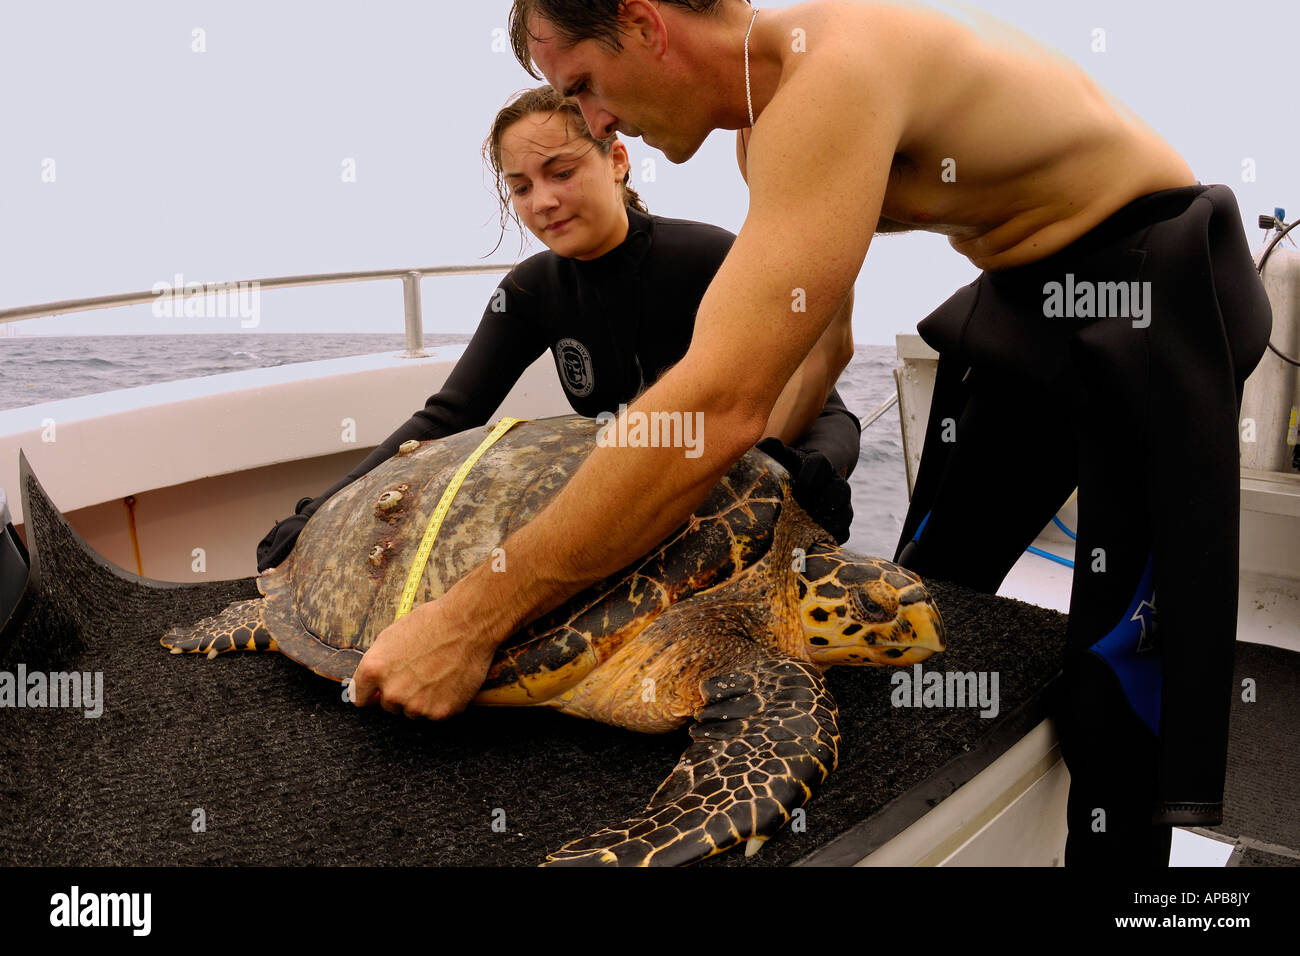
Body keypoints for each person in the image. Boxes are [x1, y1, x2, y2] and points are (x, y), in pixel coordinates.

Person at [350, 0, 1271, 868]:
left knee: (1126, 657)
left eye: (585, 83)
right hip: (1020, 296)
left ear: (643, 23)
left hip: (1152, 282)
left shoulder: (834, 72)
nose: (594, 120)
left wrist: (468, 620)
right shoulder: (765, 128)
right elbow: (820, 337)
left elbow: (715, 404)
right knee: (925, 604)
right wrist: (731, 503)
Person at [256, 84, 861, 575]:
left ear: (617, 160)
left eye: (561, 172)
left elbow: (830, 410)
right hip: (624, 525)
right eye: (521, 187)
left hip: (736, 520)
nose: (542, 200)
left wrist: (816, 469)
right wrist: (322, 508)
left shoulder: (709, 257)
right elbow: (447, 417)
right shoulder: (528, 293)